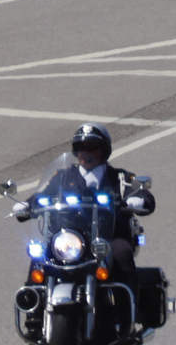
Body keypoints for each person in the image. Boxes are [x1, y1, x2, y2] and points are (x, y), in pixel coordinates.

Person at [31, 123, 154, 302]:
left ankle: (127, 306)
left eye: (91, 147)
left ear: (104, 150)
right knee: (39, 256)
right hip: (69, 239)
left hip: (108, 239)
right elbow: (41, 195)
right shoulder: (63, 176)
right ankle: (32, 306)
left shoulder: (119, 178)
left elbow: (144, 196)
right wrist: (26, 205)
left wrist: (138, 200)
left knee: (122, 253)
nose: (85, 153)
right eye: (80, 147)